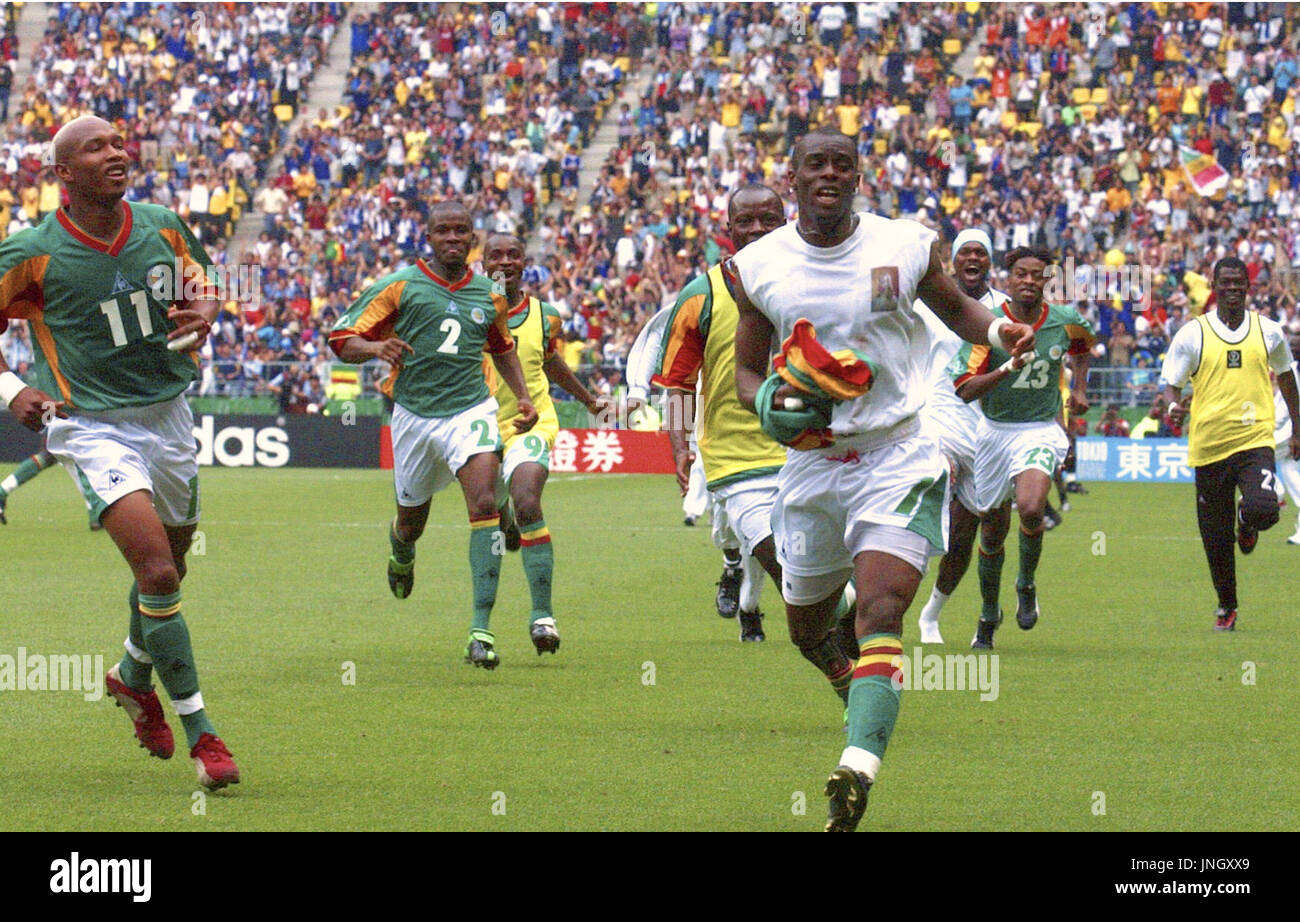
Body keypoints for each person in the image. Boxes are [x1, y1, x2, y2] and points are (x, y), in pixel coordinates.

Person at [732, 126, 1035, 832]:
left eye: (843, 164)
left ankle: (857, 768)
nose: (829, 174)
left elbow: (957, 308)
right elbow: (748, 374)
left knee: (880, 613)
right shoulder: (757, 266)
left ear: (859, 175)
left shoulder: (903, 243)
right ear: (794, 179)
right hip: (811, 465)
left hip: (898, 455)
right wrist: (770, 405)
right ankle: (856, 689)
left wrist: (1000, 333)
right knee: (809, 628)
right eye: (816, 165)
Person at [0, 116, 238, 790]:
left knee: (170, 569)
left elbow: (202, 282)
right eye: (95, 147)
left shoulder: (160, 223)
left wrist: (207, 311)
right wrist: (12, 387)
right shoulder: (30, 253)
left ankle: (132, 674)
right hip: (93, 424)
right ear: (63, 174)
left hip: (169, 415)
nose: (116, 152)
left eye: (117, 142)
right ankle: (205, 737)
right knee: (158, 574)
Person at [329, 201, 538, 669]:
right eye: (443, 231)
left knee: (484, 503)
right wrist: (375, 346)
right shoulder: (399, 286)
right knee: (411, 522)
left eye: (460, 231)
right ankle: (401, 551)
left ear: (471, 240)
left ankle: (480, 631)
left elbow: (501, 347)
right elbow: (341, 338)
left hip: (471, 409)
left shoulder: (490, 294)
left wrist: (522, 397)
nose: (452, 238)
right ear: (429, 237)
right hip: (415, 417)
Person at [655, 186, 800, 646]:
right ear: (728, 231)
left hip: (810, 448)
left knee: (807, 561)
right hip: (734, 456)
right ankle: (845, 654)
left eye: (769, 219)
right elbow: (677, 382)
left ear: (788, 221)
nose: (758, 229)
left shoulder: (816, 280)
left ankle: (750, 607)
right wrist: (680, 447)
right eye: (746, 221)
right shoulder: (701, 295)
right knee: (779, 559)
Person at [952, 247, 1095, 649]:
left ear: (1049, 280)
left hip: (1040, 428)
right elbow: (964, 389)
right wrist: (1008, 367)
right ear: (1008, 279)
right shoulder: (991, 328)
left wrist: (1079, 388)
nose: (1029, 281)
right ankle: (987, 613)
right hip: (994, 433)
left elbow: (1083, 349)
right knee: (993, 533)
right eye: (1021, 274)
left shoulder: (1065, 321)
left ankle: (1027, 583)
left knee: (1032, 507)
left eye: (1038, 275)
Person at [480, 232, 609, 656]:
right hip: (478, 428)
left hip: (532, 421)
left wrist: (589, 399)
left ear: (524, 263)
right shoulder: (468, 310)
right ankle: (505, 520)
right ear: (482, 263)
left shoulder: (544, 315)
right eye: (495, 255)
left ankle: (542, 618)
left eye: (513, 254)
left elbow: (549, 360)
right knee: (496, 513)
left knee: (527, 498)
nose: (504, 262)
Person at [1161, 257, 1300, 631]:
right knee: (1216, 538)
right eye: (1227, 282)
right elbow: (1171, 381)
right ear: (1215, 286)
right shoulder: (1193, 333)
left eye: (1240, 282)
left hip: (1255, 439)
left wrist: (1298, 429)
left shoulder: (1268, 331)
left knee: (1265, 508)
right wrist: (1174, 405)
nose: (1234, 288)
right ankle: (1227, 605)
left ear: (1248, 286)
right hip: (1209, 445)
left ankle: (1247, 519)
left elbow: (1287, 378)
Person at [915, 228, 1010, 644]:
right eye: (965, 252)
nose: (973, 259)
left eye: (980, 253)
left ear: (989, 261)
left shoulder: (1005, 310)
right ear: (952, 259)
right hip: (939, 418)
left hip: (988, 430)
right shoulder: (928, 302)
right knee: (929, 495)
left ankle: (931, 615)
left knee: (969, 535)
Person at [0, 437, 101, 530]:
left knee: (51, 455)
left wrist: (46, 419)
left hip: (53, 420)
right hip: (71, 421)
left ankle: (3, 490)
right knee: (78, 455)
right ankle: (95, 511)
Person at [1273, 359, 1300, 546]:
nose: (1294, 344)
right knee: (1289, 468)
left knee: (1255, 455)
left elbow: (1283, 409)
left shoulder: (1291, 372)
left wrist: (1269, 425)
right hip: (1290, 430)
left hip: (1290, 430)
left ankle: (1276, 494)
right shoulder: (1292, 368)